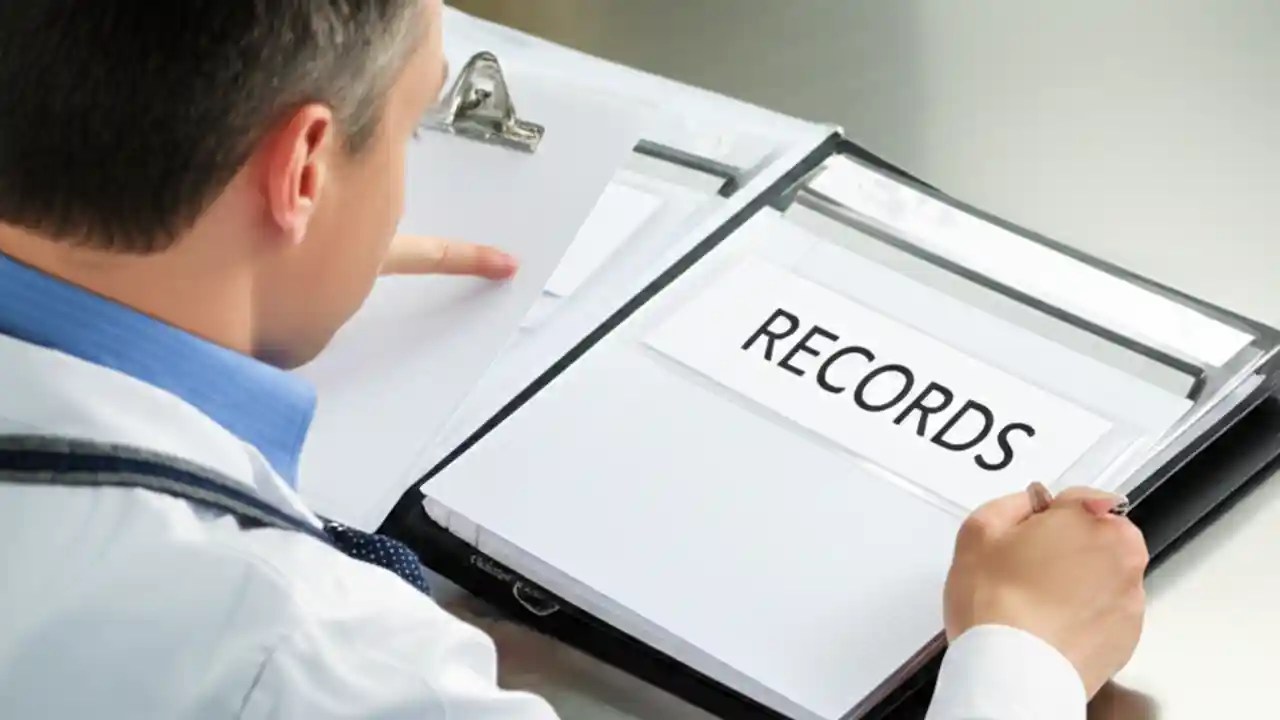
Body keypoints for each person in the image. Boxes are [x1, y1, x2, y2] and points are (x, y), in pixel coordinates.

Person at [0, 2, 1147, 718]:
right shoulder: (308, 662)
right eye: (408, 129)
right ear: (299, 170)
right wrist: (1019, 662)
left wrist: (229, 281)